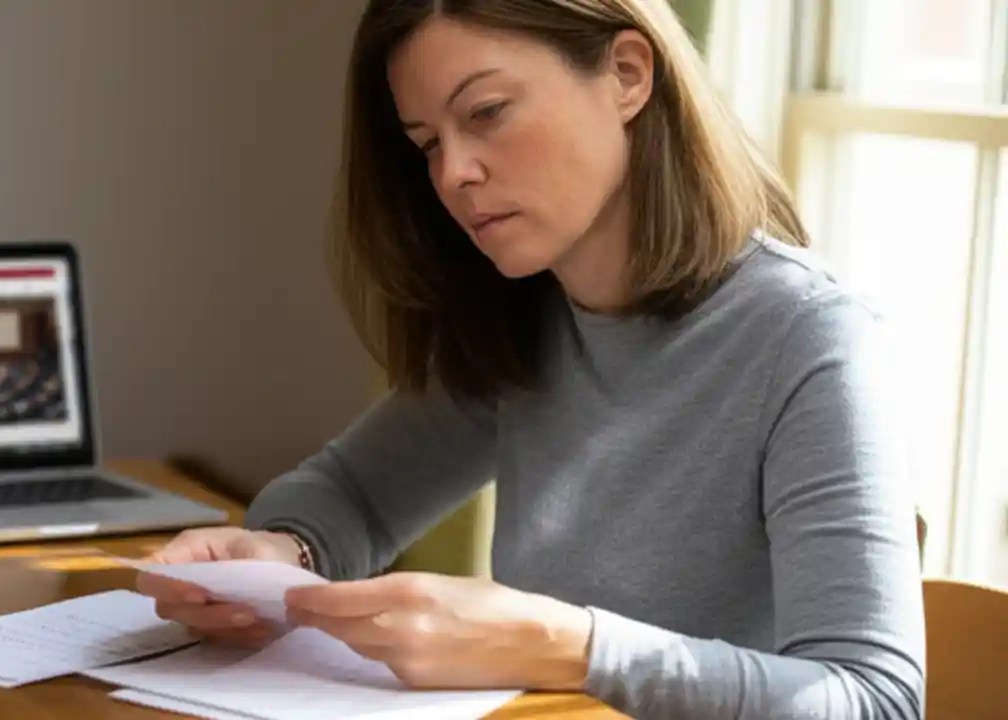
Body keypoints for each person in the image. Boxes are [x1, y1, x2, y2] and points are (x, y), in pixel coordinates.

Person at [136, 1, 926, 717]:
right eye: (426, 145)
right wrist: (281, 552)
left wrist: (568, 646)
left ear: (626, 74)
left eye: (487, 112)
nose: (453, 174)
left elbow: (874, 699)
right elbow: (354, 491)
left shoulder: (813, 339)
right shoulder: (529, 316)